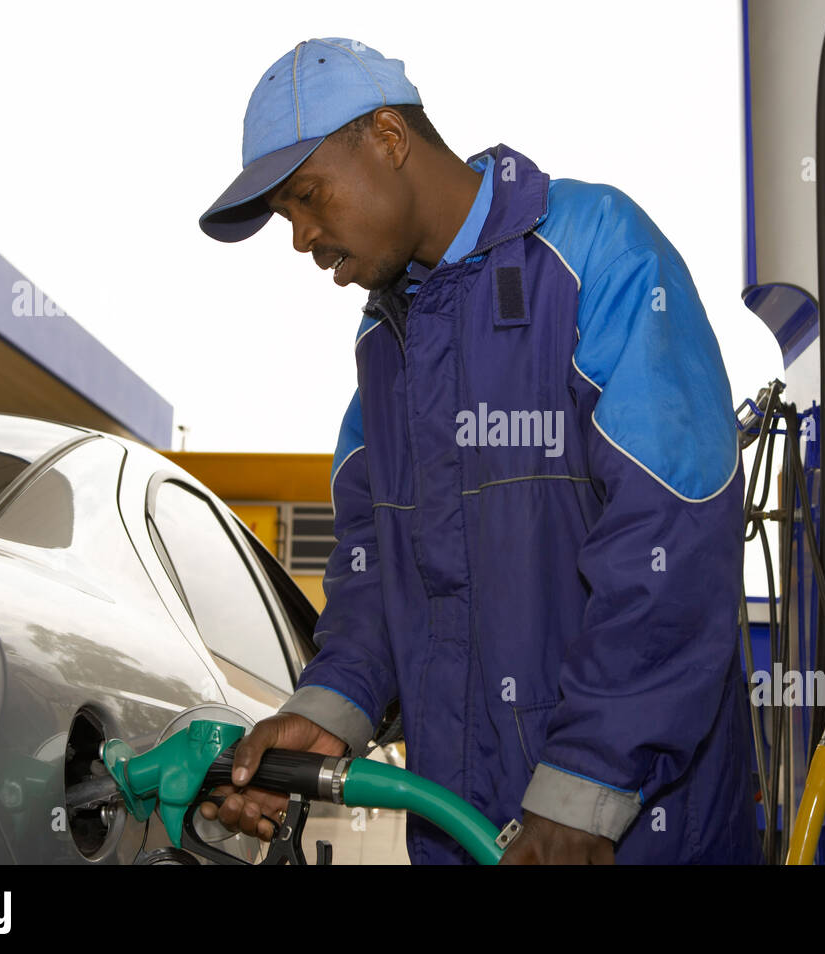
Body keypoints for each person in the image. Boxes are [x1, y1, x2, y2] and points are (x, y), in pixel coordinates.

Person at [197, 37, 759, 864]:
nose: (302, 238)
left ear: (389, 138)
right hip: (461, 828)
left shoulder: (595, 252)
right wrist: (325, 713)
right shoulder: (384, 348)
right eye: (287, 216)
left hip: (637, 830)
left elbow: (668, 543)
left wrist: (586, 787)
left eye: (307, 197)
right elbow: (375, 576)